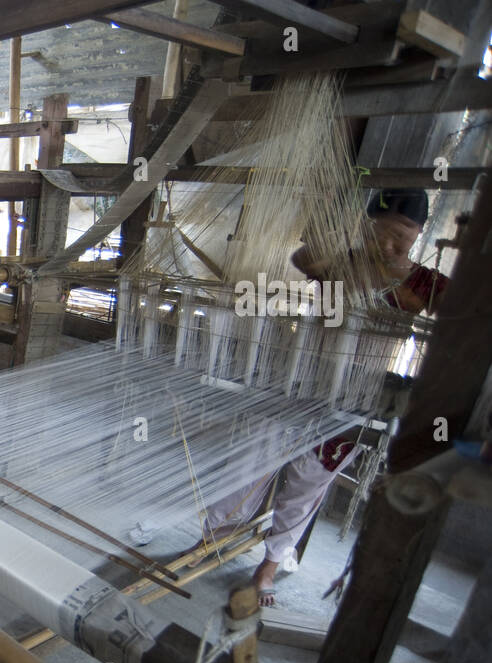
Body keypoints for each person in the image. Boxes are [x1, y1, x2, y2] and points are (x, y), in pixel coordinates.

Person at [192, 188, 448, 607]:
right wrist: (348, 238)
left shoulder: (423, 282)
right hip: (299, 379)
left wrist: (394, 274)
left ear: (417, 234)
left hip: (354, 396)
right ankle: (213, 537)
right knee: (252, 459)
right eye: (378, 233)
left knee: (310, 481)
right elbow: (303, 258)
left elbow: (462, 305)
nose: (386, 244)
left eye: (399, 237)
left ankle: (268, 567)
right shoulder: (343, 263)